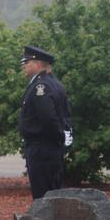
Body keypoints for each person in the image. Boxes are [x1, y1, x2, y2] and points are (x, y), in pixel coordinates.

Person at [19, 45, 68, 199]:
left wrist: (59, 136)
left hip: (42, 148)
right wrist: (64, 134)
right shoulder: (55, 83)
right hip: (51, 148)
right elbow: (66, 116)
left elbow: (48, 118)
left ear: (38, 64)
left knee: (43, 195)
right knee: (53, 193)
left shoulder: (41, 86)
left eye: (27, 62)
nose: (24, 66)